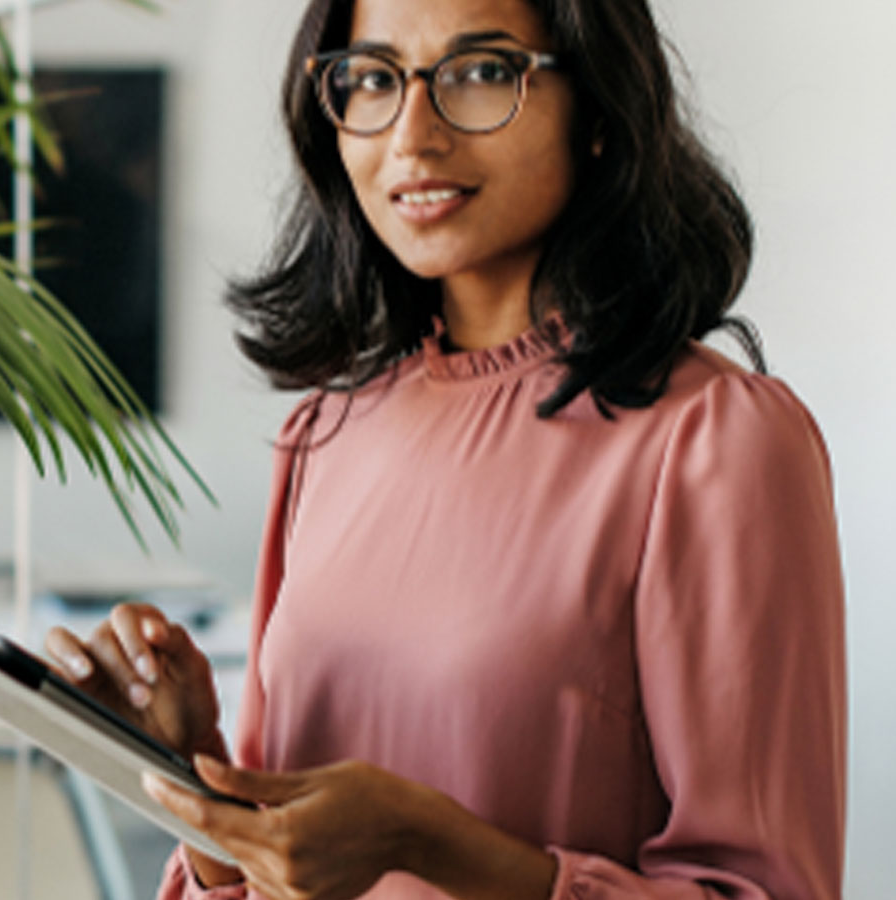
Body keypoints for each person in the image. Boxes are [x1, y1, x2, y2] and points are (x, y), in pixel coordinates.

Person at [44, 0, 846, 897]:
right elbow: (276, 873)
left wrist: (433, 843)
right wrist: (195, 770)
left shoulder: (716, 442)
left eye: (480, 73)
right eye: (375, 80)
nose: (413, 138)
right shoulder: (325, 434)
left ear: (599, 111)